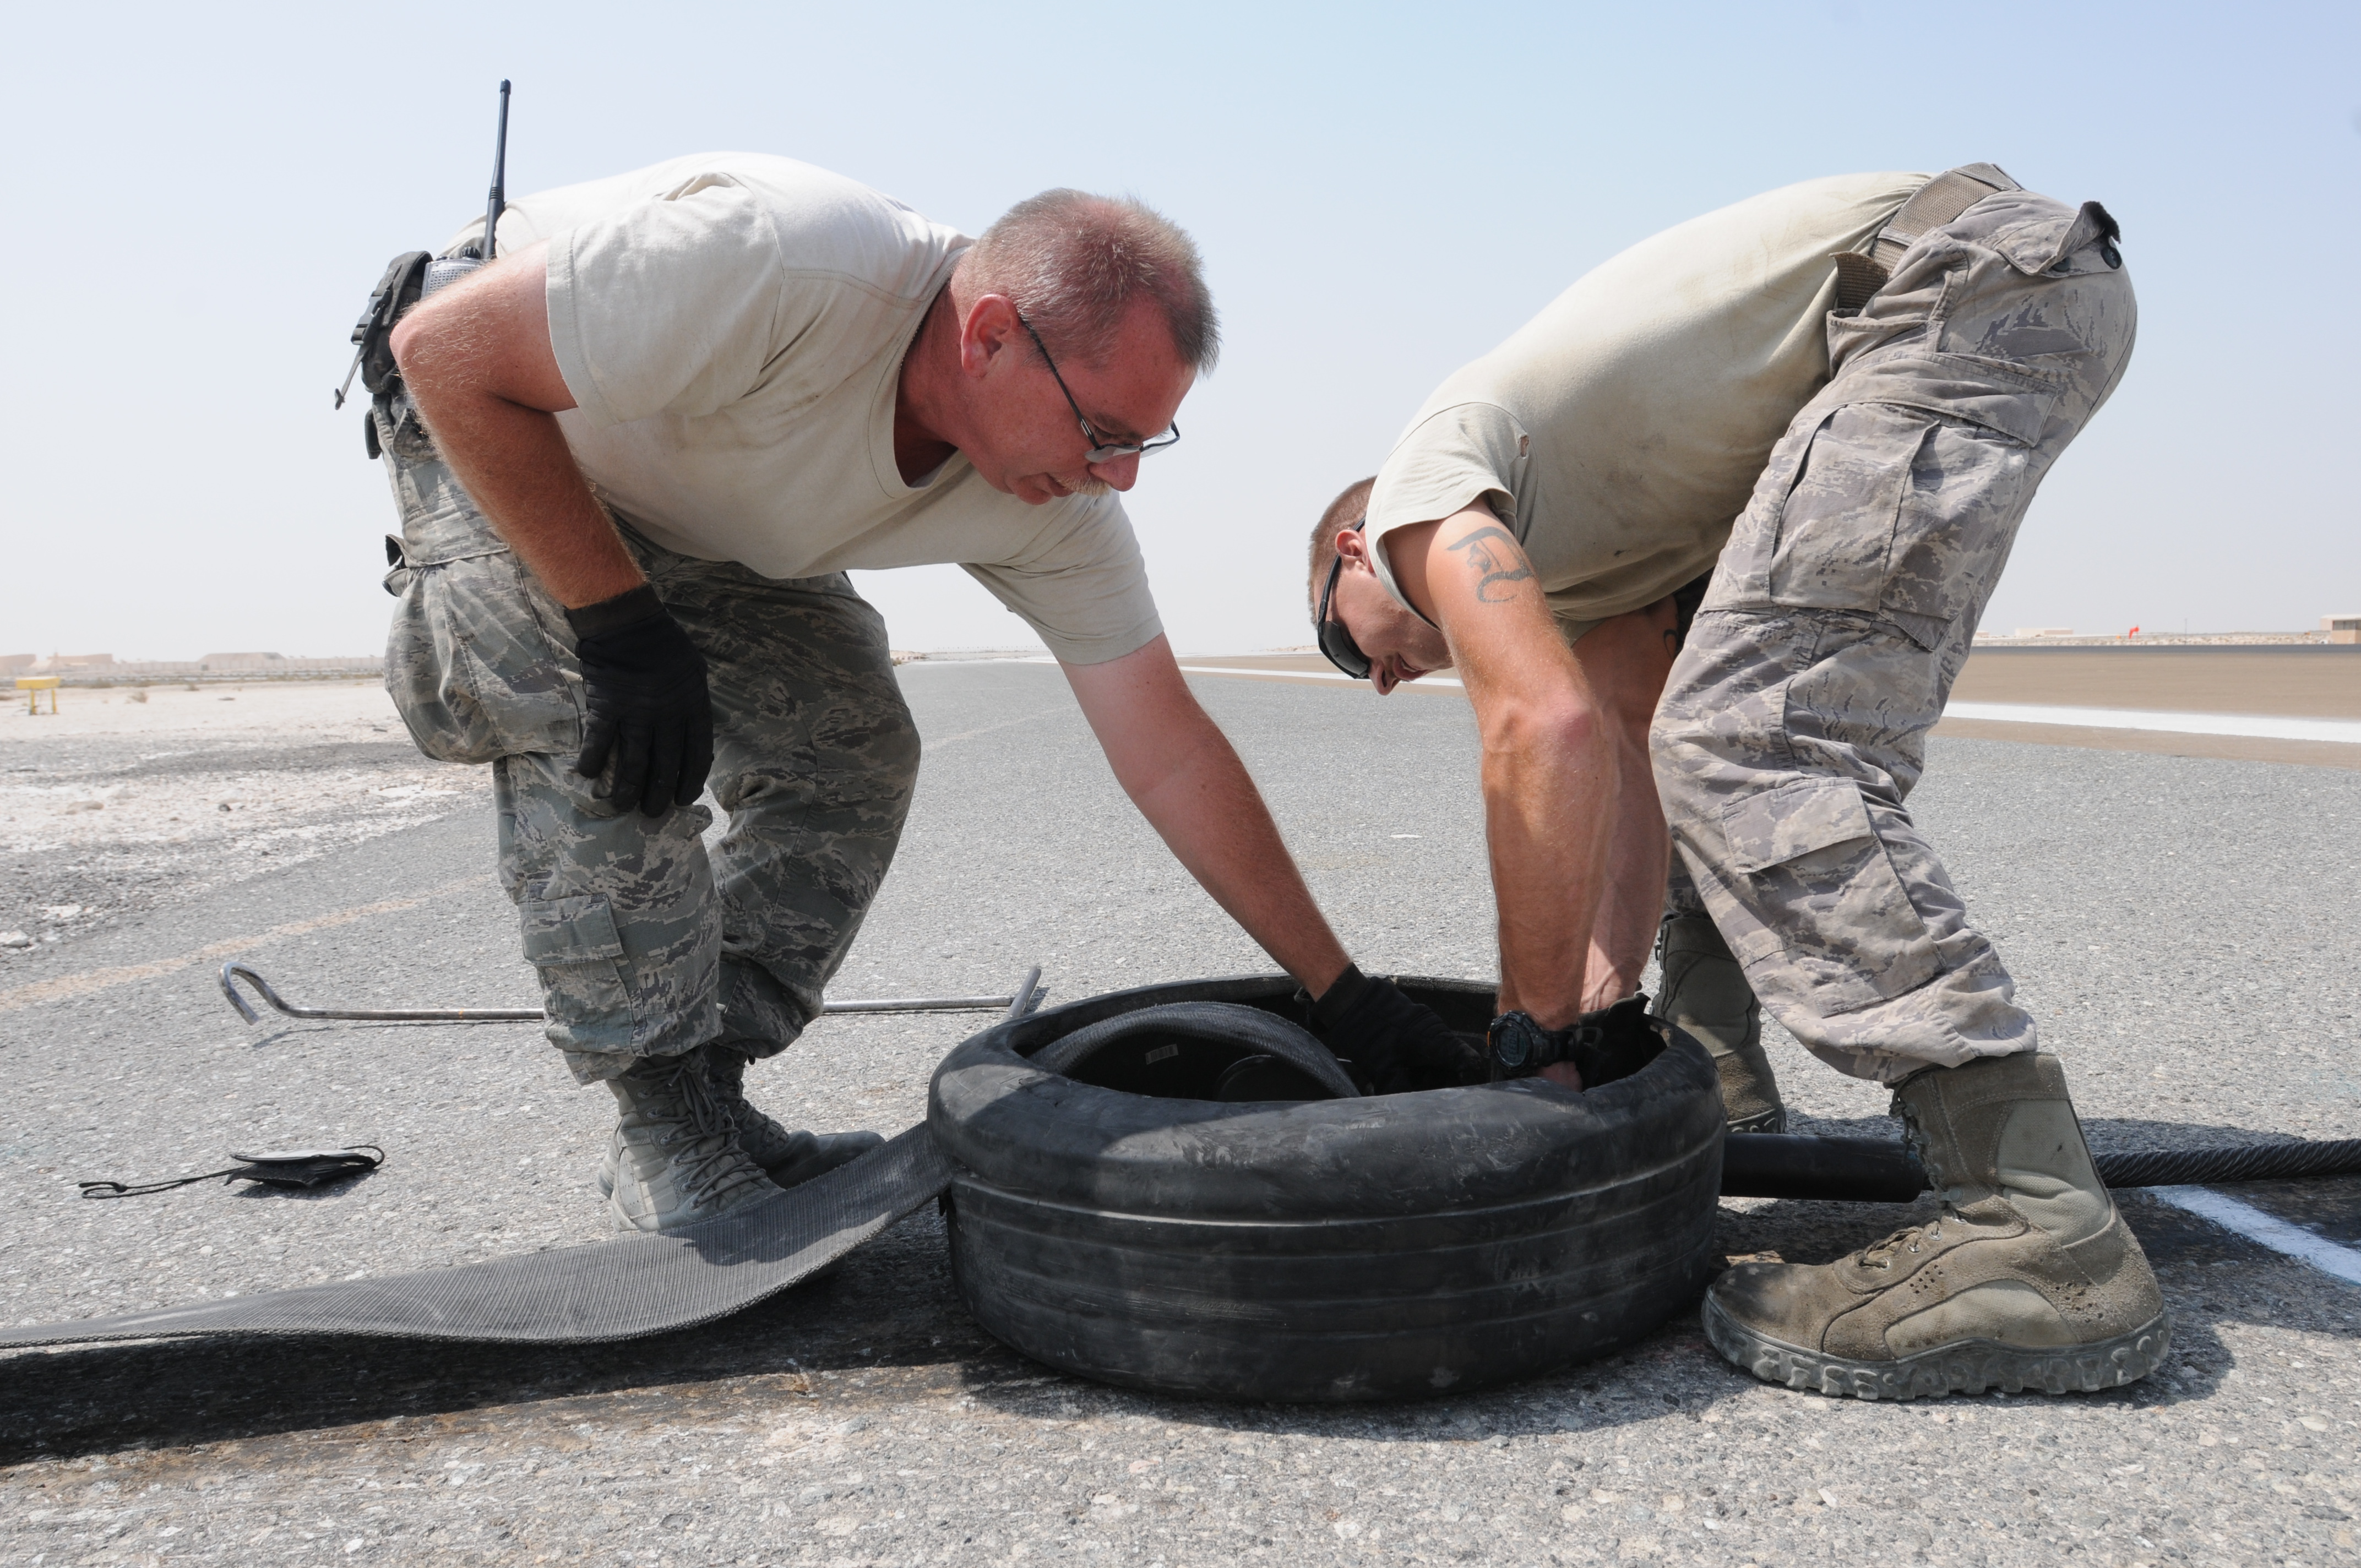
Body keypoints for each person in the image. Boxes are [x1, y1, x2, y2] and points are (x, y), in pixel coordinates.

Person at [368, 153, 1477, 1234]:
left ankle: (701, 1093)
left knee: (850, 748)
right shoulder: (784, 263)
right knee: (601, 724)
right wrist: (613, 620)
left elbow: (1169, 751)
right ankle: (661, 1124)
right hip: (510, 420)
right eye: (1103, 434)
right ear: (989, 335)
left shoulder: (1060, 505)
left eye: (1144, 444)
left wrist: (1345, 996)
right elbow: (445, 350)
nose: (1120, 477)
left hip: (699, 502)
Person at [1305, 165, 2167, 1397]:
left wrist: (1530, 1045)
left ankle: (2031, 1224)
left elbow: (1537, 724)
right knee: (1708, 736)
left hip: (1949, 285)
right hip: (1985, 286)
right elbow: (1627, 764)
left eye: (1346, 642)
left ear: (1352, 552)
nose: (1372, 675)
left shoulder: (1414, 493)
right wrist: (1604, 1012)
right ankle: (1728, 1083)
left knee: (1759, 739)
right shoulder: (1596, 567)